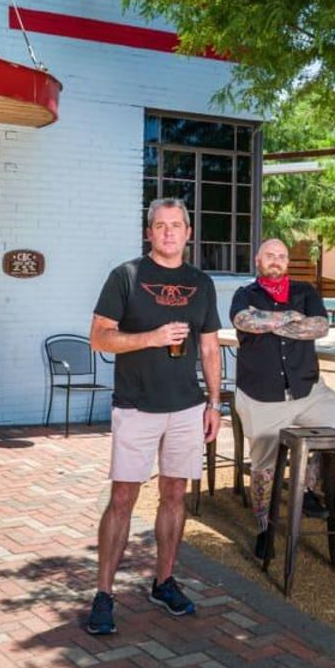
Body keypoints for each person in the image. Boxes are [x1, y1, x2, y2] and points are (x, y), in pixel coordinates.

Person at [85, 198, 222, 635]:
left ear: (189, 232)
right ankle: (104, 594)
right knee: (123, 498)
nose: (168, 232)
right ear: (149, 233)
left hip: (186, 408)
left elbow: (209, 348)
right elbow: (99, 339)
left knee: (175, 495)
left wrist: (215, 403)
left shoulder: (201, 283)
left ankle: (164, 581)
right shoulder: (126, 276)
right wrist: (152, 337)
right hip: (137, 406)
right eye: (160, 226)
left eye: (176, 225)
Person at [230, 238, 335, 559]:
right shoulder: (244, 295)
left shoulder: (306, 291)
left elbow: (319, 327)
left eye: (282, 256)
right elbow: (243, 320)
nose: (276, 260)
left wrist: (271, 322)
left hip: (308, 391)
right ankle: (264, 527)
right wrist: (291, 317)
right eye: (270, 255)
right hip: (262, 395)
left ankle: (307, 486)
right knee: (264, 467)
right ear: (258, 260)